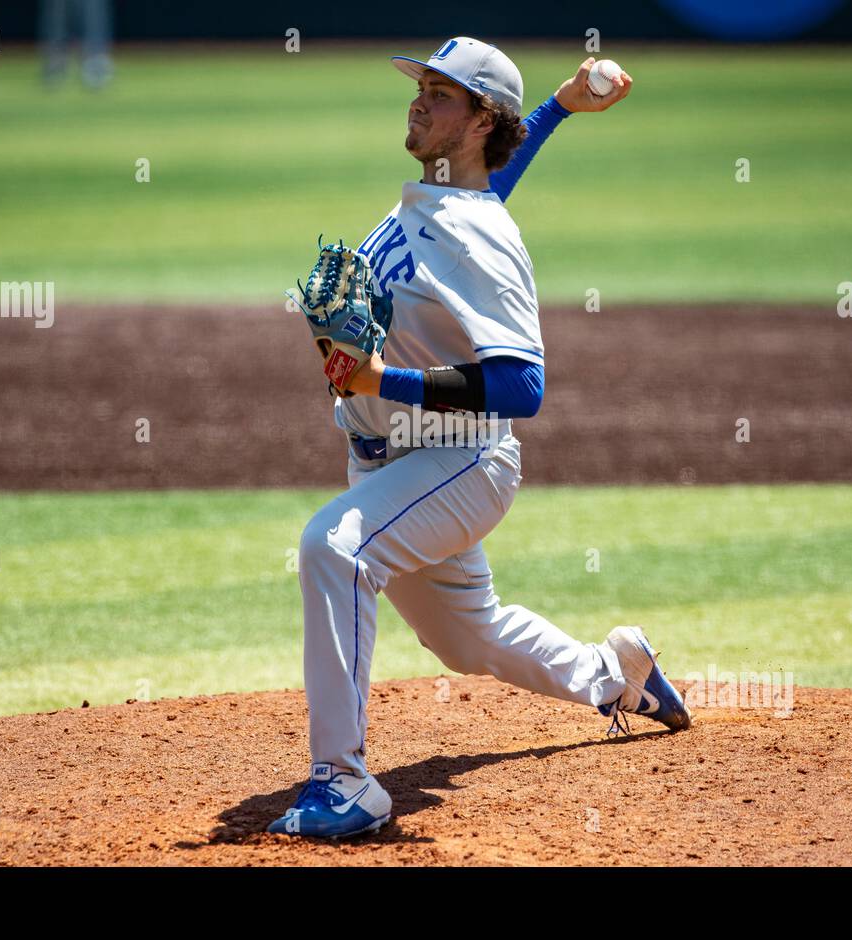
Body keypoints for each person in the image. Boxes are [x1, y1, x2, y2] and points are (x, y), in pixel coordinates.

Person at [269, 38, 690, 839]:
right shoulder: (444, 194)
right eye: (420, 86)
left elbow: (522, 387)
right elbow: (487, 182)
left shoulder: (480, 238)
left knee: (335, 548)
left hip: (460, 461)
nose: (417, 102)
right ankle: (619, 675)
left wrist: (377, 380)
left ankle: (344, 783)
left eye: (440, 93)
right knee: (469, 637)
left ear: (478, 119)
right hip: (396, 462)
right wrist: (561, 108)